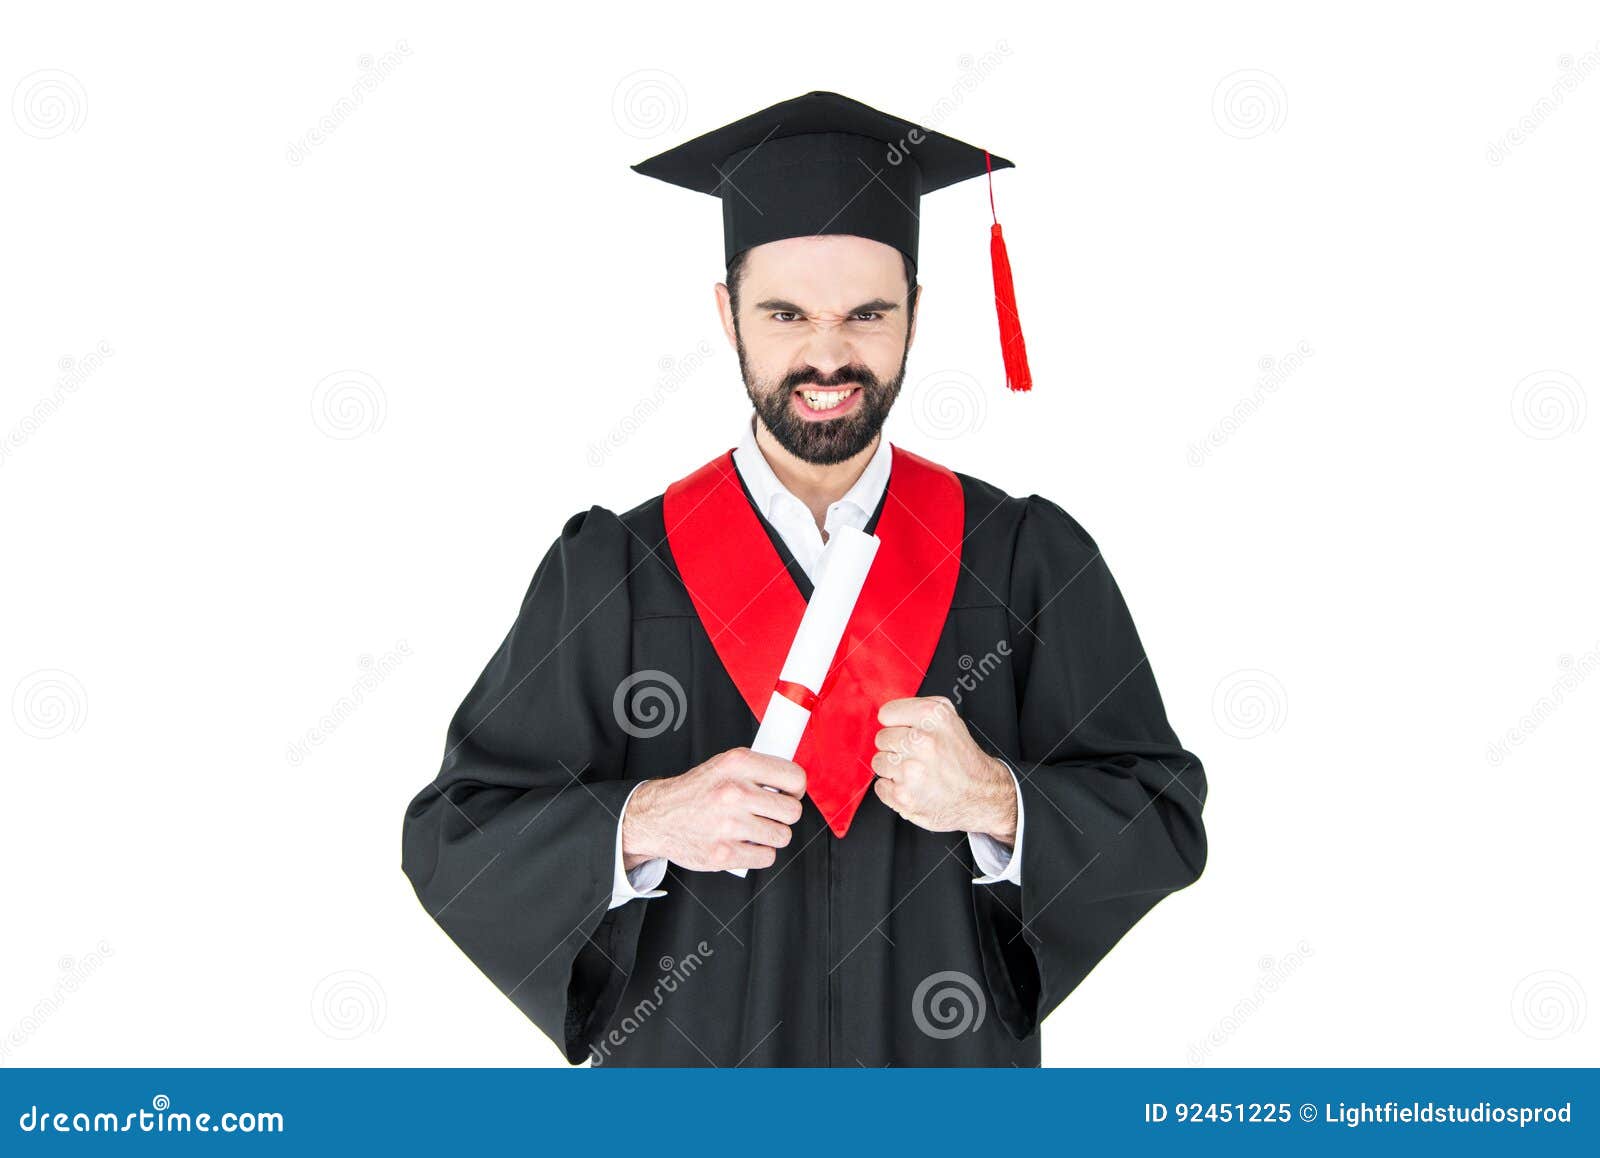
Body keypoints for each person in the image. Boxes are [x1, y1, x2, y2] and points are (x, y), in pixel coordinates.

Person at [401, 91, 1207, 1067]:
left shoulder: (1025, 559)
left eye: (866, 313)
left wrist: (999, 801)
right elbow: (453, 838)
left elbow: (1161, 818)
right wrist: (641, 821)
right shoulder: (615, 571)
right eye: (785, 313)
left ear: (916, 312)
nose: (826, 355)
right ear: (725, 313)